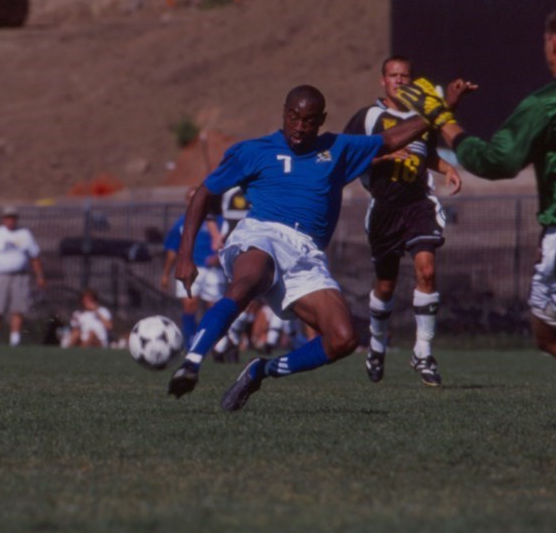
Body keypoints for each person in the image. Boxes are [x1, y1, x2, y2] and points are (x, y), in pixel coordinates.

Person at [166, 84, 445, 411]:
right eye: (294, 117)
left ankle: (261, 370)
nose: (300, 126)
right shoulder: (253, 151)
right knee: (248, 280)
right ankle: (191, 363)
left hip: (307, 253)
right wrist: (184, 256)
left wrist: (439, 110)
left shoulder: (338, 148)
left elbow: (390, 139)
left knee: (343, 339)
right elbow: (203, 193)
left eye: (309, 120)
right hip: (263, 233)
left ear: (322, 120)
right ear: (284, 112)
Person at [413, 5, 556, 393]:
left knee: (550, 336)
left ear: (554, 43)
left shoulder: (546, 102)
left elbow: (496, 161)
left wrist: (445, 122)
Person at [343, 55, 462, 386]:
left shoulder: (421, 115)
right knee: (385, 285)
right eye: (393, 75)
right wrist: (382, 156)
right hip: (384, 208)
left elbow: (428, 156)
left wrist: (447, 168)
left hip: (418, 204)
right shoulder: (368, 117)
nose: (399, 80)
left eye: (405, 76)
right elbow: (345, 153)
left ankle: (423, 352)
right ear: (383, 81)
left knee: (427, 269)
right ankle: (377, 345)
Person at [160, 187, 226, 346]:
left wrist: (219, 258)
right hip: (191, 268)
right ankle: (190, 343)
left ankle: (215, 345)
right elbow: (172, 251)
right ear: (186, 202)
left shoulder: (216, 220)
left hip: (213, 271)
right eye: (191, 199)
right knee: (190, 305)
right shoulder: (181, 224)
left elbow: (228, 242)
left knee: (214, 309)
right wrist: (166, 274)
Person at [0, 205, 45, 347]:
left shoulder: (25, 234)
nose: (10, 221)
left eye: (13, 218)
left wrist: (39, 276)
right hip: (0, 276)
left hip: (20, 276)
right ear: (3, 219)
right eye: (8, 218)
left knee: (18, 309)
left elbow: (34, 256)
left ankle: (15, 342)